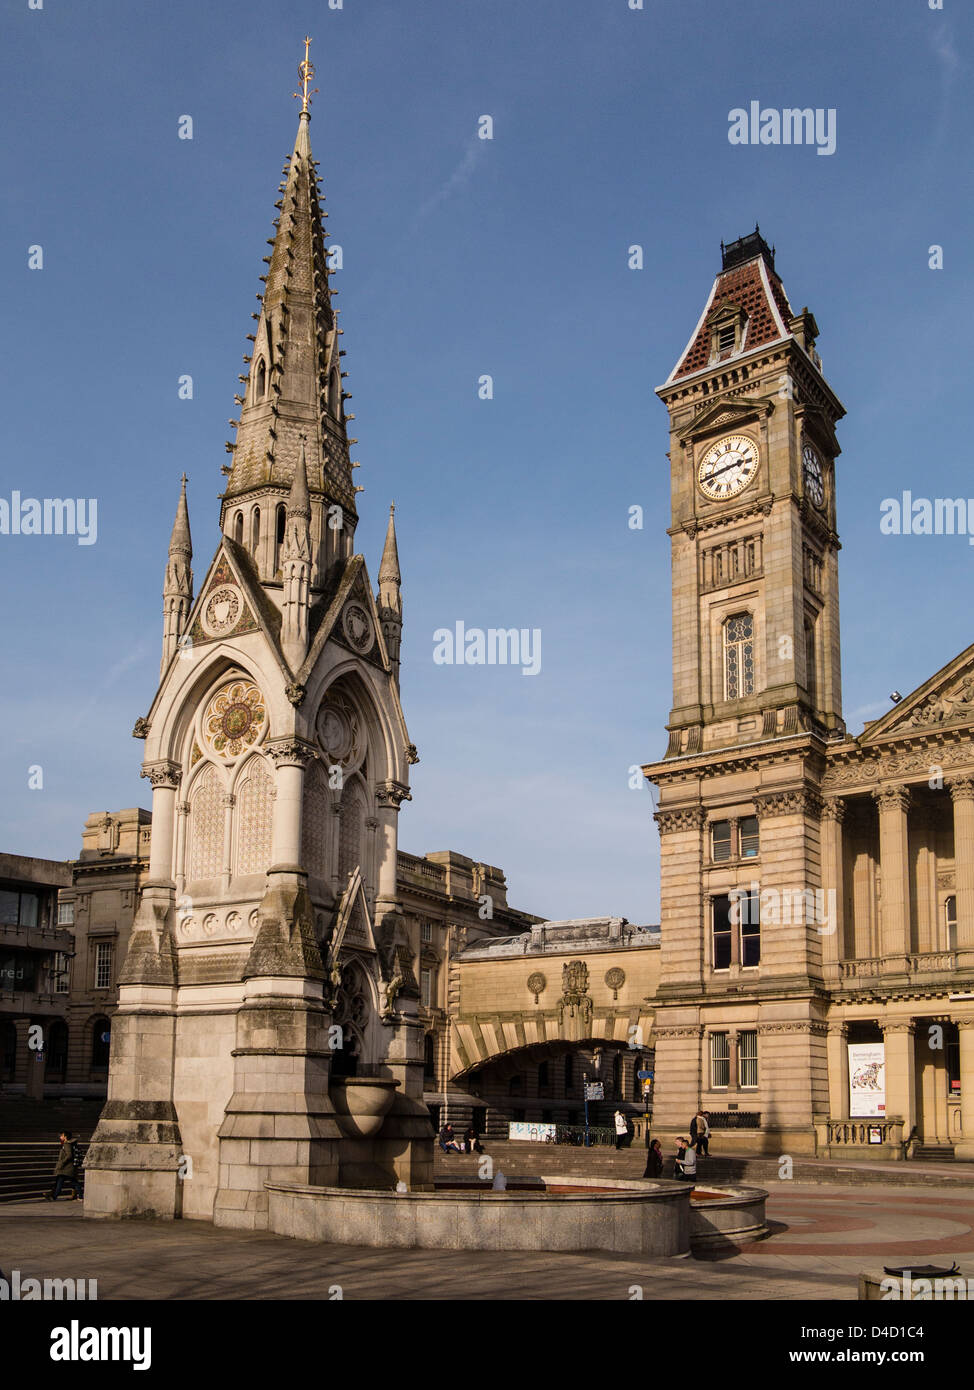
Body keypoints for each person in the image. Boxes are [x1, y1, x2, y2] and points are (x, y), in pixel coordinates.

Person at [44, 1131, 78, 1201]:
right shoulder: (68, 1144)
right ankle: (53, 1195)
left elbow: (69, 1155)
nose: (60, 1137)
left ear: (65, 1137)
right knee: (63, 1181)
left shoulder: (67, 1144)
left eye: (61, 1136)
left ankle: (53, 1196)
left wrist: (62, 1162)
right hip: (67, 1168)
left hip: (65, 1168)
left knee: (64, 1182)